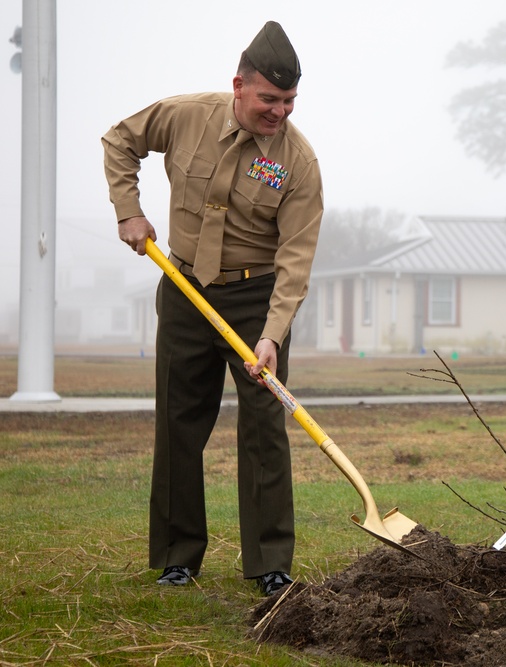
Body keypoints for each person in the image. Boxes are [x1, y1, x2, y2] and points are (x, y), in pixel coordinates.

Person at [103, 21, 324, 596]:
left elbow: (296, 260)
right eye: (270, 99)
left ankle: (270, 563)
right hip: (183, 286)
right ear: (239, 86)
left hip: (256, 299)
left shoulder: (297, 162)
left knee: (263, 429)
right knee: (178, 423)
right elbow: (118, 140)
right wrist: (129, 209)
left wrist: (273, 335)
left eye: (290, 101)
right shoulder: (186, 115)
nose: (281, 111)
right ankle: (179, 558)